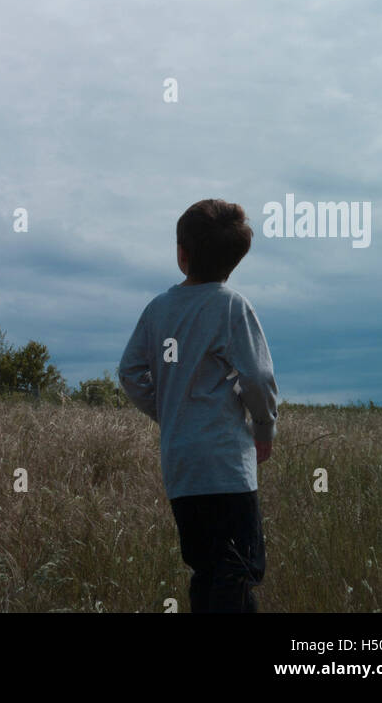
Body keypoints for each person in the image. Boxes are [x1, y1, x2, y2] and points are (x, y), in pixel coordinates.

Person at [118, 198, 278, 613]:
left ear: (182, 254)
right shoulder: (231, 306)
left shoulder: (158, 309)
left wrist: (170, 412)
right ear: (235, 261)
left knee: (205, 571)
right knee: (238, 572)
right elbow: (257, 379)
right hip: (226, 466)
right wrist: (264, 429)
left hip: (182, 469)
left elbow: (130, 372)